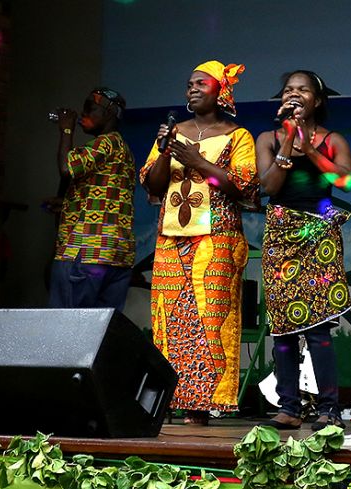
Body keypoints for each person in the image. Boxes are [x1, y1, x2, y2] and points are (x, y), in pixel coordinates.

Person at [141, 61, 259, 425]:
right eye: (188, 84)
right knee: (170, 320)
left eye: (200, 83)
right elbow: (153, 185)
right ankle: (168, 398)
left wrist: (195, 160)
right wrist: (164, 150)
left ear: (220, 91)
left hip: (217, 239)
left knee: (211, 321)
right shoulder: (173, 134)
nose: (191, 89)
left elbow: (244, 184)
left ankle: (203, 407)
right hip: (171, 241)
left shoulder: (238, 136)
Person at [255, 70, 351, 431]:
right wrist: (287, 141)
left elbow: (346, 180)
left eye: (302, 90)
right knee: (282, 328)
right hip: (281, 237)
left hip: (319, 237)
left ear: (317, 100)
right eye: (287, 90)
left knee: (317, 329)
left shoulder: (332, 139)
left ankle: (328, 408)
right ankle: (289, 406)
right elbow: (268, 186)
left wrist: (309, 147)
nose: (294, 94)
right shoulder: (268, 138)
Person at [48, 87, 136, 311]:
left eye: (90, 108)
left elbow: (67, 169)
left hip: (86, 252)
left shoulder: (105, 143)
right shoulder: (123, 149)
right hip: (116, 255)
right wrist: (67, 204)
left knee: (68, 327)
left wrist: (66, 130)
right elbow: (105, 195)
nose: (82, 114)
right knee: (102, 333)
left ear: (109, 113)